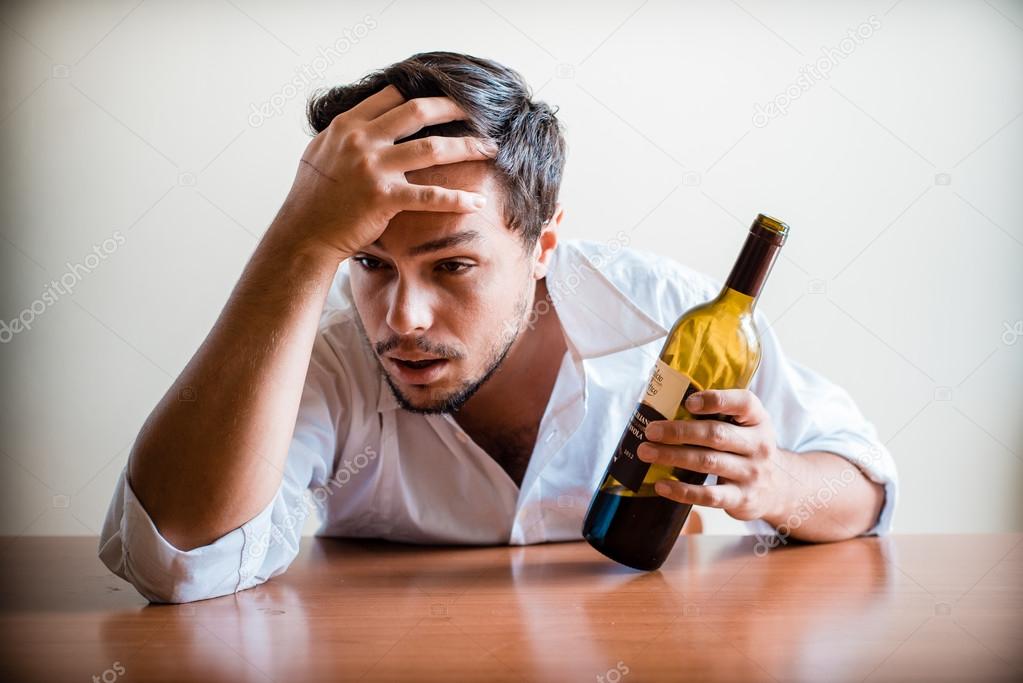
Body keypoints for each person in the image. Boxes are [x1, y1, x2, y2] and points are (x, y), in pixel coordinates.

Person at [99, 51, 897, 603]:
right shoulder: (325, 360)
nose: (401, 321)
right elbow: (176, 562)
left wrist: (775, 482)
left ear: (542, 244)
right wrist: (298, 240)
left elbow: (864, 485)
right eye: (369, 263)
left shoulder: (662, 315)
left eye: (451, 266)